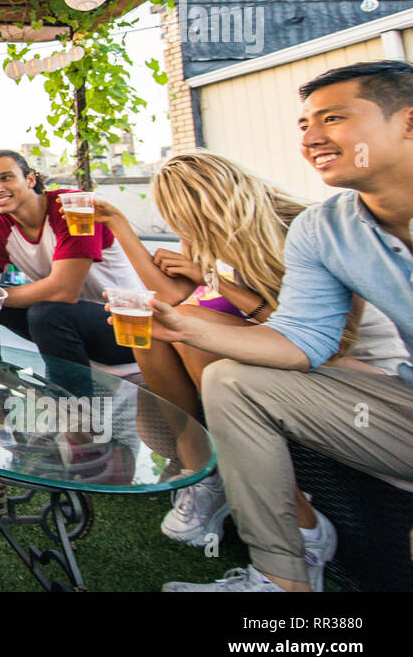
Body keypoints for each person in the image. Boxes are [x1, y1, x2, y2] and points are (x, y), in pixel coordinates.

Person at [152, 61, 413, 592]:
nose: (312, 137)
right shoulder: (326, 228)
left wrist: (208, 299)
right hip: (393, 406)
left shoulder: (290, 223)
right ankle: (283, 578)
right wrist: (179, 324)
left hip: (374, 375)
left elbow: (328, 341)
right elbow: (300, 340)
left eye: (333, 118)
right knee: (228, 380)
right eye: (304, 124)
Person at [92, 151, 406, 553]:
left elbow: (324, 339)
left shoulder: (300, 228)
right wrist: (119, 224)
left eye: (187, 219)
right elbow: (171, 296)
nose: (183, 231)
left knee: (193, 330)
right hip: (288, 351)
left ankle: (296, 516)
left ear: (214, 204)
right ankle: (201, 473)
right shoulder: (215, 239)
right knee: (155, 332)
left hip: (358, 368)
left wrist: (217, 284)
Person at [0, 149, 144, 378]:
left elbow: (64, 290)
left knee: (45, 313)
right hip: (67, 324)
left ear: (30, 179)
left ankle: (71, 403)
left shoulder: (73, 208)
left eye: (6, 177)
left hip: (127, 328)